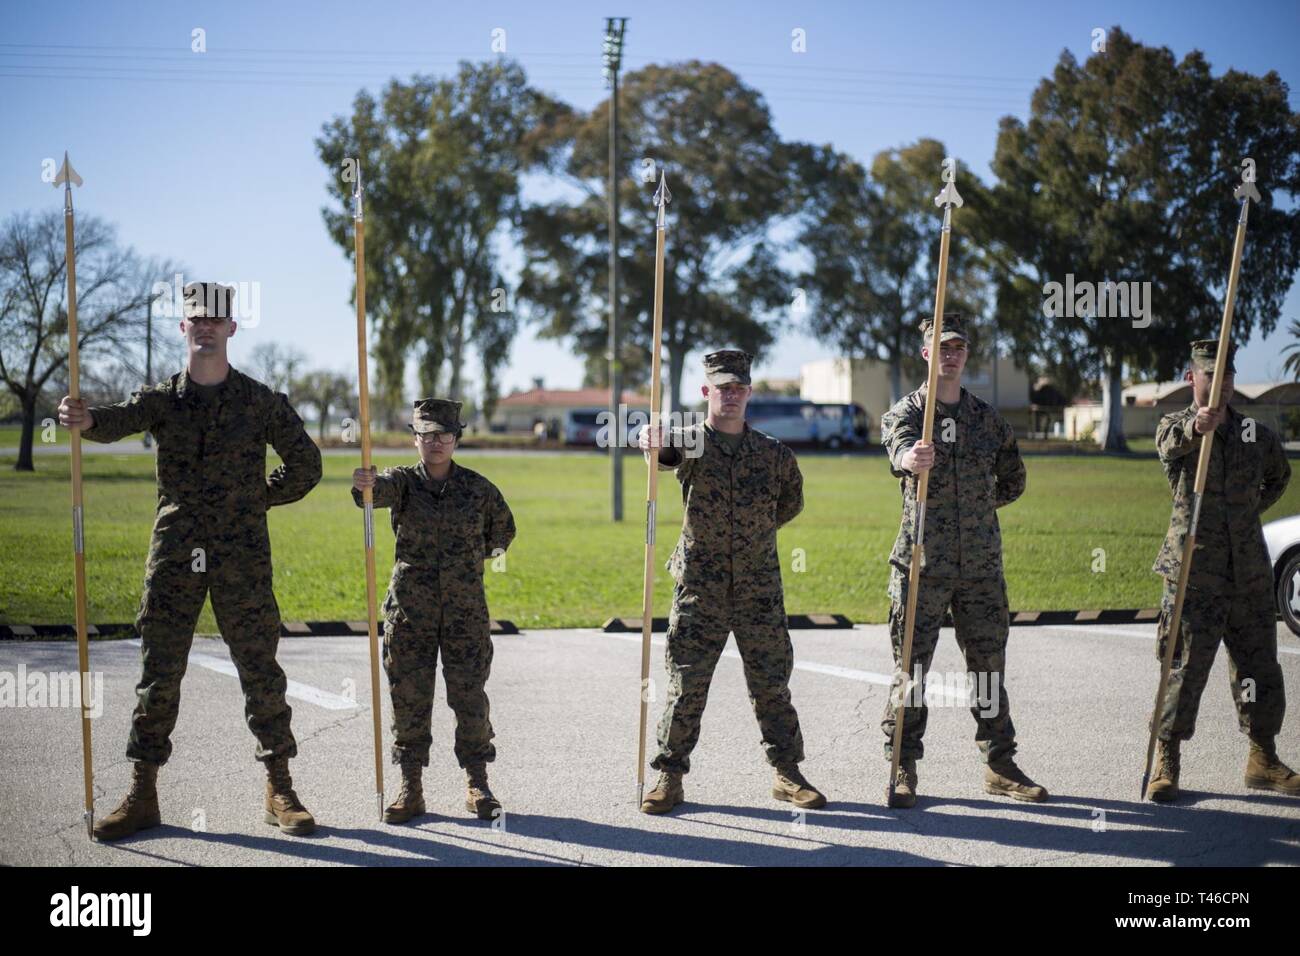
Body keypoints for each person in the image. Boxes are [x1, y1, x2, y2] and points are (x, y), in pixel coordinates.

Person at [58, 281, 322, 840]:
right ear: (183, 327)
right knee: (160, 671)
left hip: (241, 552)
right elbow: (115, 420)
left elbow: (306, 464)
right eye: (195, 318)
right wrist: (82, 419)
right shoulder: (163, 400)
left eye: (215, 319)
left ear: (231, 328)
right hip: (177, 549)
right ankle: (143, 793)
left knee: (259, 666)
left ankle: (280, 788)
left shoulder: (259, 400)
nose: (205, 326)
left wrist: (256, 498)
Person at [637, 349, 826, 814]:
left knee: (771, 684)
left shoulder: (773, 453)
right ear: (707, 392)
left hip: (759, 588)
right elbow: (665, 456)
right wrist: (650, 441)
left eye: (739, 388)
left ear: (749, 393)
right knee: (687, 685)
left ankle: (787, 773)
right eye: (723, 388)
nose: (732, 395)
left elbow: (790, 504)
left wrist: (751, 539)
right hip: (701, 586)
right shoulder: (692, 442)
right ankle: (669, 775)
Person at [879, 313, 1045, 808]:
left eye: (959, 348)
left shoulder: (988, 421)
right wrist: (912, 459)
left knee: (989, 667)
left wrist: (972, 510)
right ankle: (902, 764)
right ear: (926, 354)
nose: (951, 356)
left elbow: (1012, 480)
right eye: (942, 347)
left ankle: (1000, 763)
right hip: (922, 565)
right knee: (912, 670)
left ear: (965, 355)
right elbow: (898, 450)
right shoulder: (907, 414)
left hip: (980, 568)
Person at [353, 398, 516, 822]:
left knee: (469, 698)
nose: (436, 442)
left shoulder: (478, 489)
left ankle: (477, 782)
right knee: (409, 697)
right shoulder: (403, 482)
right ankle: (411, 786)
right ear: (415, 439)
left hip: (465, 613)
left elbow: (504, 529)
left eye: (444, 434)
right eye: (427, 435)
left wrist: (469, 562)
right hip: (411, 611)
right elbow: (374, 492)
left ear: (456, 438)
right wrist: (364, 484)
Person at [1148, 339, 1298, 801]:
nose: (1222, 382)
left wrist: (1248, 512)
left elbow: (1280, 475)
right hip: (1196, 572)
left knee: (1257, 669)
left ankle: (1262, 756)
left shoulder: (1254, 434)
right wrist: (1198, 427)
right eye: (1211, 374)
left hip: (1249, 573)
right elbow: (1169, 446)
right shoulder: (1176, 426)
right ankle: (1166, 759)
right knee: (1184, 668)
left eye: (1228, 374)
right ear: (1192, 378)